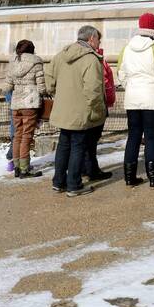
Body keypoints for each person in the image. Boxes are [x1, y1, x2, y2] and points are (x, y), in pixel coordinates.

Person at [44, 25, 107, 196]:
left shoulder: (60, 55)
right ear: (91, 39)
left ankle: (58, 181)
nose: (99, 42)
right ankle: (74, 185)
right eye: (98, 39)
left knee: (64, 145)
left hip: (63, 109)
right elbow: (93, 90)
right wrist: (97, 111)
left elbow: (48, 78)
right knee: (78, 146)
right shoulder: (91, 59)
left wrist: (56, 92)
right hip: (81, 111)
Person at [116, 12, 154, 188]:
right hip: (152, 98)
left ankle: (129, 177)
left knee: (133, 136)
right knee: (151, 137)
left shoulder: (127, 47)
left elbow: (121, 74)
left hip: (132, 98)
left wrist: (130, 86)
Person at [0, 39, 46, 178]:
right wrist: (45, 92)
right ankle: (25, 169)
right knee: (26, 136)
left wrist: (2, 91)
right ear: (32, 50)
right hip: (30, 104)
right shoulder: (36, 62)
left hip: (16, 104)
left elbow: (7, 86)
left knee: (17, 135)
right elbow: (41, 86)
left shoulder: (13, 63)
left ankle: (17, 167)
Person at [80, 44, 116, 183]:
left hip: (94, 103)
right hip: (97, 104)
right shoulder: (96, 60)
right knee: (91, 140)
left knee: (88, 140)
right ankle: (91, 170)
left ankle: (86, 168)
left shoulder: (95, 59)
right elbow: (102, 83)